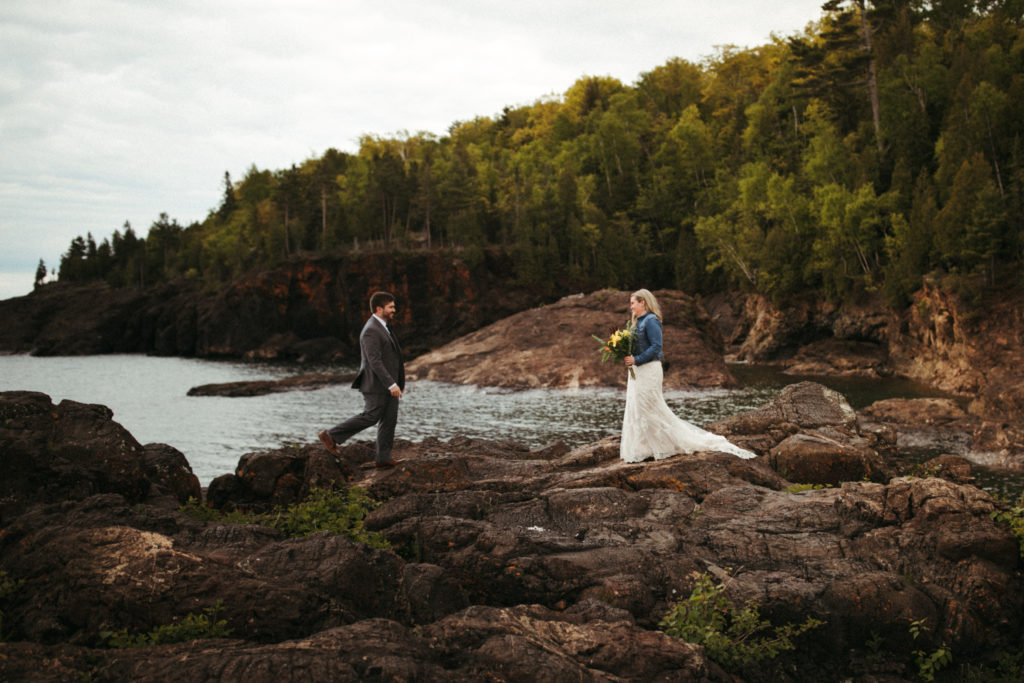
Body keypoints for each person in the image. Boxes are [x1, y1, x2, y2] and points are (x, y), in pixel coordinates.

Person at [620, 289, 755, 462]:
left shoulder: (651, 320)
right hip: (637, 371)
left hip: (649, 370)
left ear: (643, 302)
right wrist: (626, 353)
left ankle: (665, 444)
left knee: (650, 407)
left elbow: (656, 347)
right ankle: (645, 447)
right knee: (638, 408)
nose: (631, 307)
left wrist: (636, 359)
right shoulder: (637, 322)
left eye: (633, 303)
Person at [319, 291, 406, 468]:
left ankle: (383, 458)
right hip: (376, 384)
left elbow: (394, 357)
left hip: (390, 384)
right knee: (371, 416)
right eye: (390, 307)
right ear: (379, 308)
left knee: (389, 420)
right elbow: (374, 361)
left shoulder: (383, 327)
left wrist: (399, 383)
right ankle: (330, 435)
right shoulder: (371, 330)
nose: (394, 310)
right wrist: (390, 383)